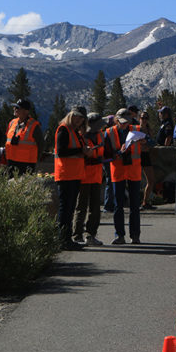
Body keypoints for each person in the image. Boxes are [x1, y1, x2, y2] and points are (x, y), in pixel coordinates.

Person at [104, 108, 143, 244]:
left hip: (134, 171)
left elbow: (151, 143)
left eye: (126, 122)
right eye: (121, 122)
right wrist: (119, 153)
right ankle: (119, 235)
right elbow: (106, 155)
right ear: (116, 120)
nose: (124, 124)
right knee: (118, 205)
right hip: (118, 171)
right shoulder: (109, 133)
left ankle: (135, 235)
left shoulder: (137, 129)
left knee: (134, 206)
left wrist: (144, 141)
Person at [54, 106, 89, 250]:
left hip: (74, 175)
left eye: (82, 118)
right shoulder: (64, 129)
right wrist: (81, 150)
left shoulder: (75, 132)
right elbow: (62, 152)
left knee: (69, 209)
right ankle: (62, 239)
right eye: (77, 116)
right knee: (65, 208)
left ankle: (66, 239)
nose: (79, 120)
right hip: (65, 174)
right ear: (71, 115)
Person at [73, 113, 105, 245]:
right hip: (84, 176)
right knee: (81, 206)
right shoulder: (80, 137)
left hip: (96, 175)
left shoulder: (100, 135)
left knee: (95, 208)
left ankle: (90, 234)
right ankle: (77, 235)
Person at [5, 99, 44, 176]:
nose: (15, 109)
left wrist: (36, 160)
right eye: (15, 107)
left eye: (18, 108)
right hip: (11, 162)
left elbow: (41, 144)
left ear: (26, 111)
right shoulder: (12, 122)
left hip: (26, 164)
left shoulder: (34, 125)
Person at [138, 111, 157, 210]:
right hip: (137, 155)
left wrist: (147, 142)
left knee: (151, 179)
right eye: (142, 118)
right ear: (139, 119)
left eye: (146, 118)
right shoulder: (136, 129)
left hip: (146, 155)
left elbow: (153, 142)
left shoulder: (149, 130)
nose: (144, 120)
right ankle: (136, 201)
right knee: (135, 180)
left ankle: (145, 201)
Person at [102, 115, 116, 212]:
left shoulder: (104, 133)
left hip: (106, 160)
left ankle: (109, 204)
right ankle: (108, 205)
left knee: (109, 182)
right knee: (110, 182)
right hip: (109, 160)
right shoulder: (110, 133)